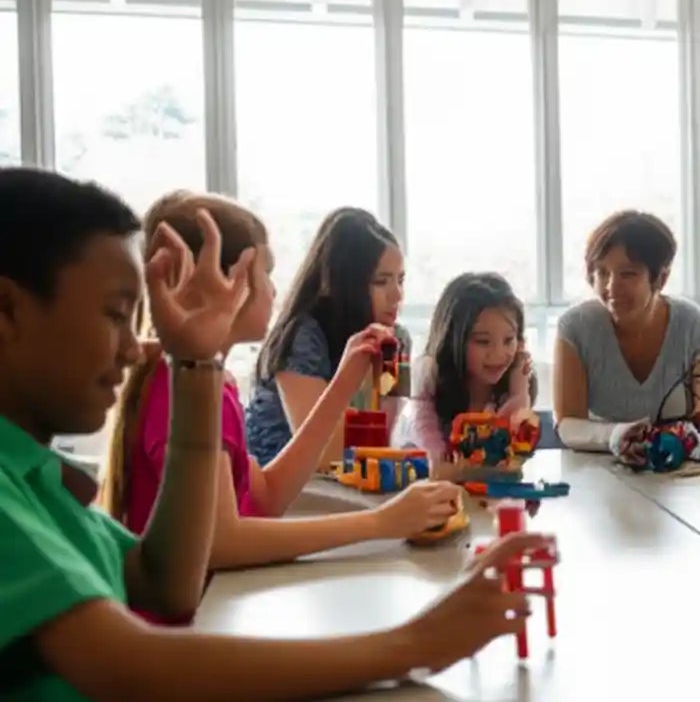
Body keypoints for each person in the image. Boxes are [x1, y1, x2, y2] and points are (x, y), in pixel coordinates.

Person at [0, 168, 554, 700]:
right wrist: (414, 642)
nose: (133, 345)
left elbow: (167, 581)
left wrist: (196, 364)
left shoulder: (38, 482)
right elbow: (131, 666)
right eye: (116, 315)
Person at [99, 192, 460, 612]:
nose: (273, 288)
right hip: (193, 625)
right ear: (221, 281)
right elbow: (222, 541)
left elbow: (267, 497)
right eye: (264, 273)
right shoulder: (178, 388)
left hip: (222, 605)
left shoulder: (220, 385)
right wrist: (382, 523)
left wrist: (344, 379)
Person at [246, 207, 412, 470]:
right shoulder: (302, 336)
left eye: (400, 280)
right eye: (381, 282)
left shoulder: (397, 339)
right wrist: (359, 371)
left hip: (346, 482)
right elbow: (325, 457)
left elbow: (383, 442)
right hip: (284, 488)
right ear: (343, 283)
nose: (397, 295)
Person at [552, 211, 700, 464]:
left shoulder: (691, 324)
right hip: (596, 473)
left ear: (661, 277)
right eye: (602, 272)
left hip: (672, 473)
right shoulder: (576, 327)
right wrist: (614, 435)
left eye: (628, 274)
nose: (612, 287)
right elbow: (567, 425)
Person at [402, 272, 536, 471]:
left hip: (484, 487)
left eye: (509, 340)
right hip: (426, 483)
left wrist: (519, 395)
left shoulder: (516, 380)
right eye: (483, 341)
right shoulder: (431, 374)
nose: (498, 354)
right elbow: (435, 461)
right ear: (452, 339)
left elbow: (513, 449)